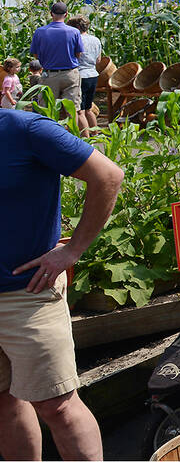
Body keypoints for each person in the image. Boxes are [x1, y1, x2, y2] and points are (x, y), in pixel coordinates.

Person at [0, 109, 123, 461]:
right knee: (4, 401)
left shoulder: (26, 129)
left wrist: (72, 250)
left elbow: (108, 176)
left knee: (56, 404)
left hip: (27, 294)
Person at [30, 2, 84, 131]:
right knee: (72, 109)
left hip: (49, 74)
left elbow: (36, 54)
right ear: (66, 14)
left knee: (48, 109)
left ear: (51, 14)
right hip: (70, 74)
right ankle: (72, 139)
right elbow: (78, 54)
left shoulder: (40, 32)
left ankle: (49, 138)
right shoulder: (74, 31)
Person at [67, 16, 101, 136]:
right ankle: (95, 134)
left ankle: (86, 139)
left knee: (80, 111)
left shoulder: (75, 39)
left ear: (76, 27)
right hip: (93, 74)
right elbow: (98, 60)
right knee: (88, 108)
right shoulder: (96, 39)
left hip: (80, 75)